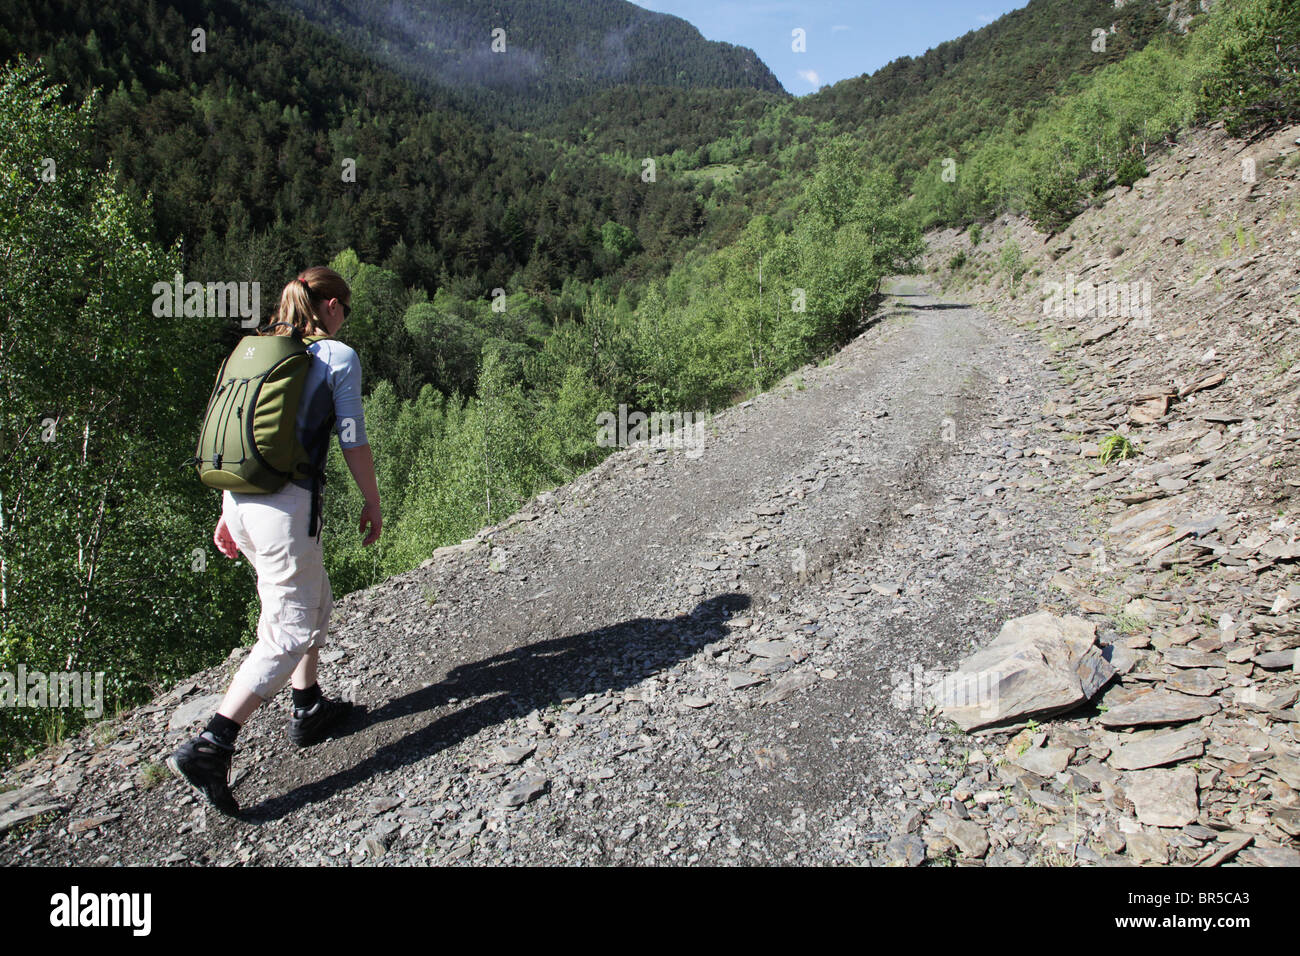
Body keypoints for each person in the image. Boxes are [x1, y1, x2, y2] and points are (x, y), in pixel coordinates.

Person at [167, 267, 382, 816]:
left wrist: (225, 511)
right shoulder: (336, 357)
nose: (346, 318)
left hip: (242, 501)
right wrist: (371, 499)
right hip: (286, 509)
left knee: (313, 601)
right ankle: (213, 742)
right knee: (289, 629)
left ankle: (308, 706)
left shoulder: (256, 351)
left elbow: (237, 431)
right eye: (346, 309)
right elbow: (352, 438)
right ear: (331, 305)